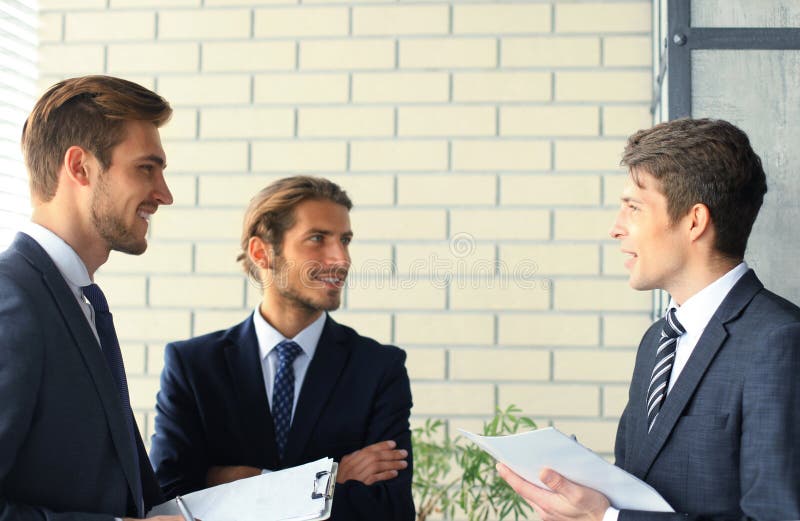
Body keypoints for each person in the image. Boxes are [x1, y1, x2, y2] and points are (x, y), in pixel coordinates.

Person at [498, 118, 800, 520]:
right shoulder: (658, 340)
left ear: (694, 221)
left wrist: (606, 518)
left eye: (634, 208)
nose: (615, 229)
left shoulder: (779, 340)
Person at [149, 176, 415, 520]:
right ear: (262, 252)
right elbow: (170, 500)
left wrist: (231, 479)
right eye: (317, 239)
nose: (341, 258)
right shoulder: (194, 366)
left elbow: (389, 510)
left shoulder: (379, 368)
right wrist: (329, 481)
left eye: (345, 240)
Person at [0, 76, 183, 520]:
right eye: (146, 168)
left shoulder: (78, 299)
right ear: (80, 167)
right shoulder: (12, 300)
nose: (164, 194)